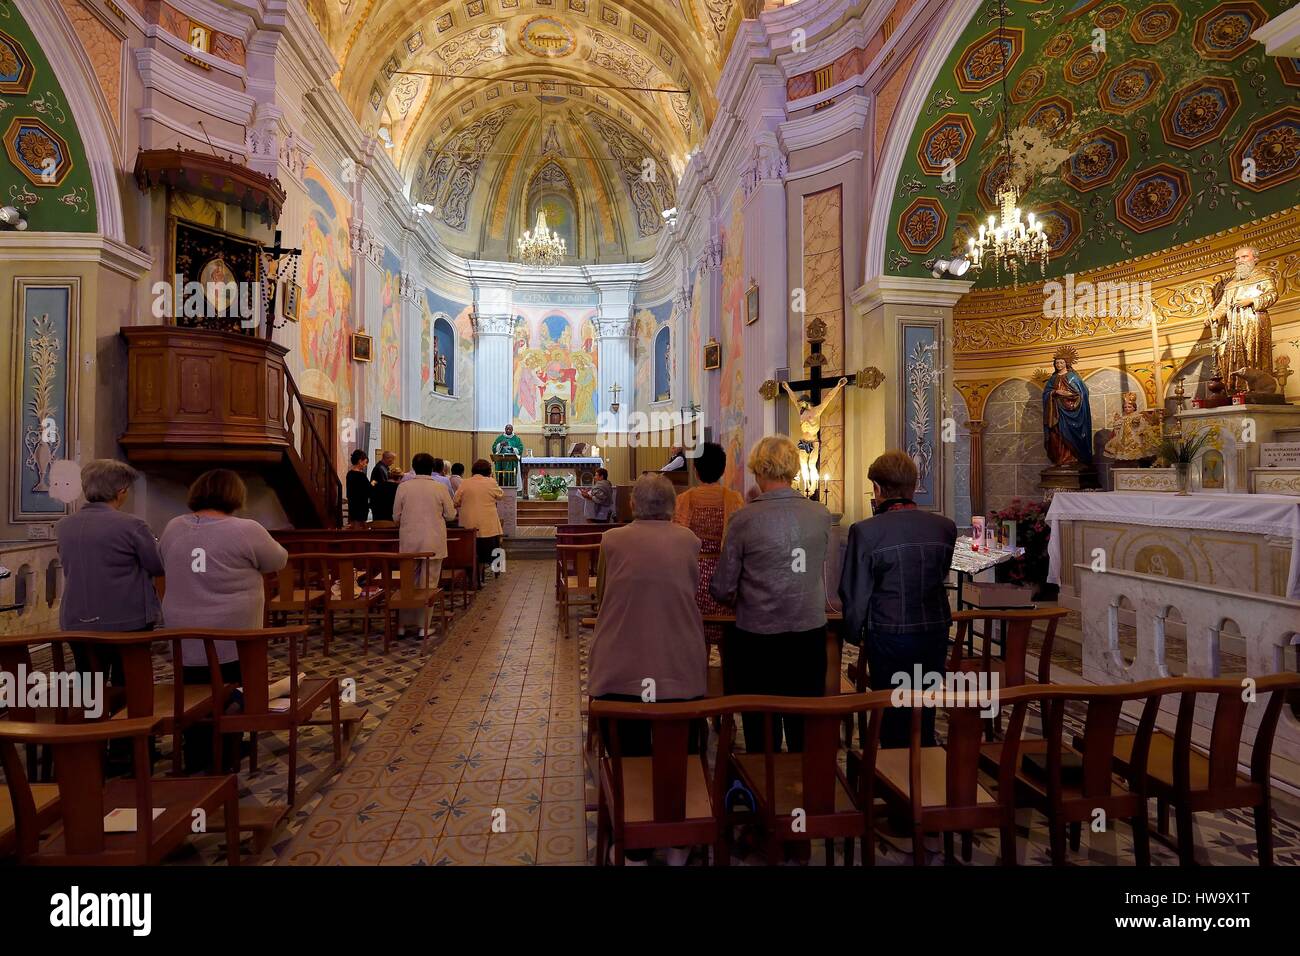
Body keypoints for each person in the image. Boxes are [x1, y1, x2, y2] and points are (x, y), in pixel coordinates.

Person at [591, 474, 706, 865]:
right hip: (679, 666)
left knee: (630, 752)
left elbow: (603, 594)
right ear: (673, 507)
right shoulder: (689, 540)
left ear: (633, 505)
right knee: (683, 750)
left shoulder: (612, 539)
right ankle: (677, 841)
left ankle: (636, 845)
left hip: (622, 666)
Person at [158, 469, 288, 772]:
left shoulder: (174, 527)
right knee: (232, 691)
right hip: (232, 636)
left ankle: (197, 753)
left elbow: (163, 560)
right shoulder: (245, 529)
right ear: (235, 496)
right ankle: (225, 754)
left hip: (184, 636)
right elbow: (278, 559)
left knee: (193, 692)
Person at [710, 435, 833, 753]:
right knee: (803, 727)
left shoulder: (744, 519)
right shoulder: (819, 514)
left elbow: (723, 586)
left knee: (760, 731)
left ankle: (764, 795)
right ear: (792, 468)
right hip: (808, 636)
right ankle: (801, 791)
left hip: (758, 639)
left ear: (758, 470)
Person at [838, 451, 957, 749]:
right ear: (914, 486)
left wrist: (854, 633)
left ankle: (896, 780)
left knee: (892, 712)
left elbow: (854, 591)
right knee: (925, 707)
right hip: (934, 631)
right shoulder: (944, 527)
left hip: (889, 633)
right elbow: (940, 574)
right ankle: (925, 776)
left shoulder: (865, 532)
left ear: (877, 489)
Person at [56, 459, 164, 697]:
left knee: (89, 686)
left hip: (76, 620)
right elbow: (156, 566)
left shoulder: (64, 525)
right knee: (129, 686)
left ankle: (91, 729)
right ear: (121, 491)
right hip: (126, 620)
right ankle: (128, 732)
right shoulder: (133, 525)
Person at [672, 442, 744, 636]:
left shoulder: (684, 500)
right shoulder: (735, 499)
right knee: (727, 641)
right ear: (722, 470)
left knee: (696, 639)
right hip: (726, 579)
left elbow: (676, 540)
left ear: (695, 470)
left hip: (693, 579)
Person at [393, 452, 457, 636]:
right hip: (433, 541)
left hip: (409, 543)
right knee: (428, 584)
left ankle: (403, 626)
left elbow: (396, 517)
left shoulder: (403, 487)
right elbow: (451, 515)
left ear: (413, 466)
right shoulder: (439, 488)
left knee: (407, 585)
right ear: (432, 468)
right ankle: (423, 626)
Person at [455, 459, 505, 586]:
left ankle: (474, 576)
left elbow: (456, 501)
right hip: (487, 524)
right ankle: (495, 570)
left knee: (472, 551)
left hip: (468, 525)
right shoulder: (490, 482)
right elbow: (500, 495)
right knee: (491, 549)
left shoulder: (465, 482)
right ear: (488, 471)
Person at [346, 449, 371, 524]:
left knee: (354, 527)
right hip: (361, 506)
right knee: (360, 529)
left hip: (352, 505)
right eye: (365, 462)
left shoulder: (349, 474)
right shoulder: (361, 475)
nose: (366, 465)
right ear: (360, 461)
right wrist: (374, 482)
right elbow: (368, 490)